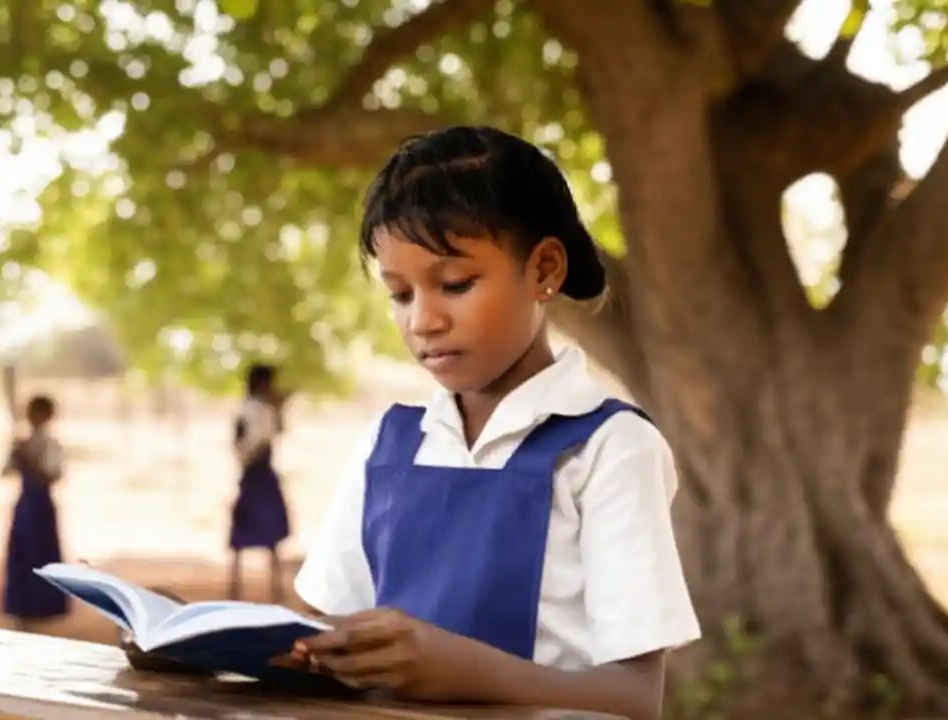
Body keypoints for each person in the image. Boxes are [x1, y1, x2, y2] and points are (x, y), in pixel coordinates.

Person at [287, 126, 702, 719]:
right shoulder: (390, 442)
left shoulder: (608, 448)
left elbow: (634, 699)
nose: (423, 321)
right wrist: (195, 639)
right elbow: (324, 633)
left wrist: (456, 670)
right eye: (401, 295)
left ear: (543, 270)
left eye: (454, 285)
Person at [1, 394, 69, 630]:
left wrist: (29, 458)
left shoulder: (51, 445)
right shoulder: (23, 443)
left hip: (42, 507)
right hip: (25, 505)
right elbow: (4, 472)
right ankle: (21, 607)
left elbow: (51, 477)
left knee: (41, 555)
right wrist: (15, 453)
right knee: (21, 554)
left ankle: (43, 607)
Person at [228, 363, 290, 602]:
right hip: (259, 471)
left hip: (253, 472)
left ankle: (237, 591)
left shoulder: (248, 408)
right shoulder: (260, 409)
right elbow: (266, 439)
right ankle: (274, 593)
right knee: (268, 531)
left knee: (246, 532)